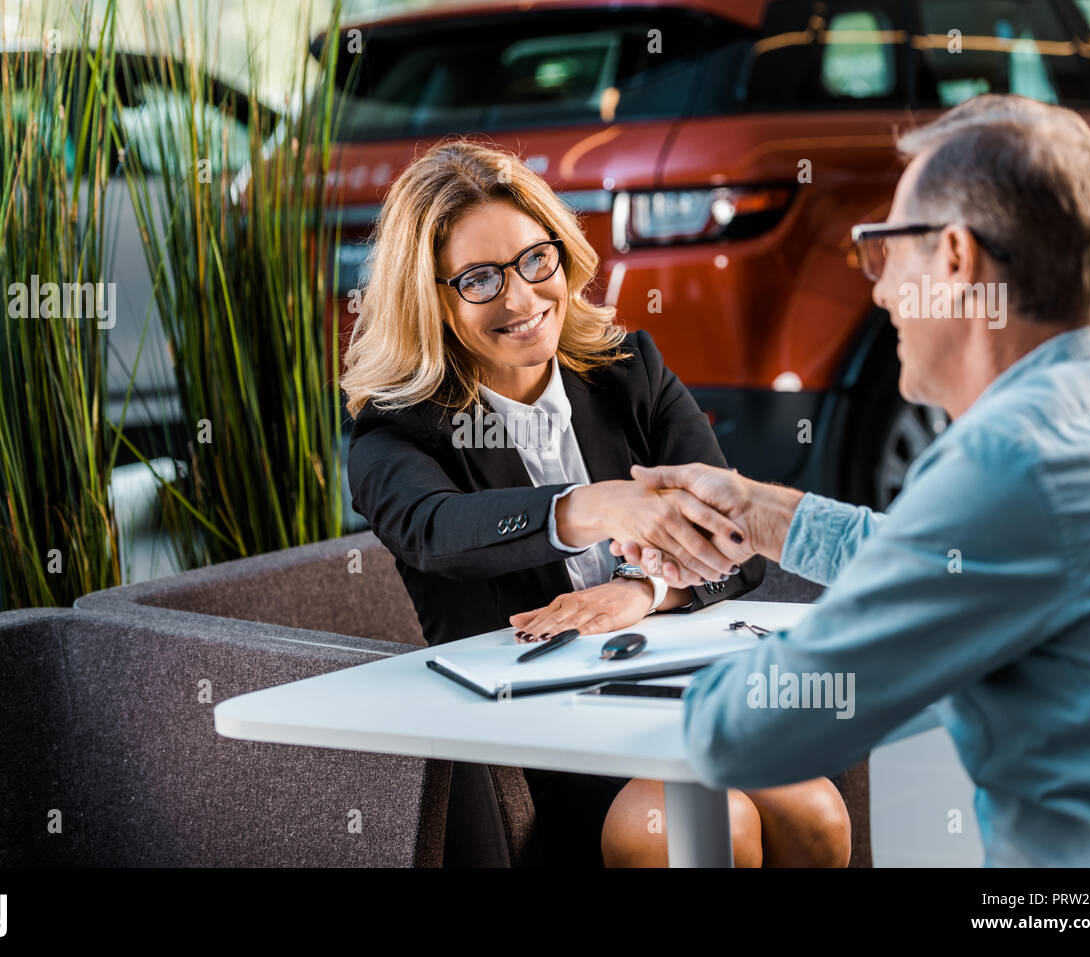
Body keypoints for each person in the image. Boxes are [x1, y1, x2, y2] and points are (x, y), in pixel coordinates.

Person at [617, 94, 1090, 866]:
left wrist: (664, 657)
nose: (878, 290)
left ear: (956, 259)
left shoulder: (1008, 462)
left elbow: (742, 734)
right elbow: (950, 558)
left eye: (886, 250)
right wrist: (758, 509)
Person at [342, 138, 851, 867]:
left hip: (667, 689)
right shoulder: (397, 430)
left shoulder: (628, 373)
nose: (520, 298)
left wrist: (642, 589)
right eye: (480, 279)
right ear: (433, 299)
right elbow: (436, 532)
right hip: (541, 737)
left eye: (532, 261)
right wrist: (592, 506)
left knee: (816, 810)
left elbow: (734, 549)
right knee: (709, 826)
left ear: (562, 252)